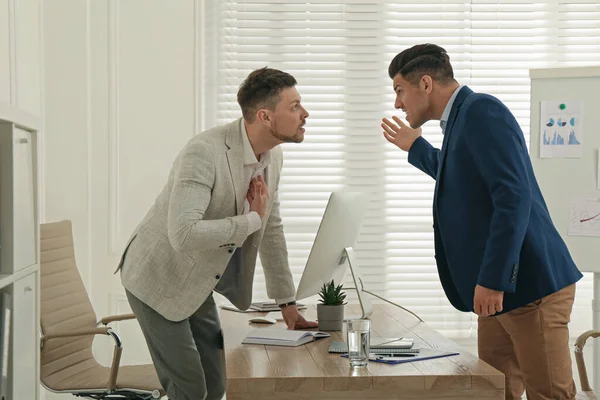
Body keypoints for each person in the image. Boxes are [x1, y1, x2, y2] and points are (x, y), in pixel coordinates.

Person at [381, 44, 583, 400]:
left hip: (528, 286)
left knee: (549, 394)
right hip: (498, 294)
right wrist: (417, 148)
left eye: (399, 90)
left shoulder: (481, 112)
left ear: (425, 84)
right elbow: (463, 177)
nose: (398, 103)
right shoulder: (460, 119)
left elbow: (512, 197)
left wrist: (493, 278)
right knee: (495, 390)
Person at [115, 67, 317, 400]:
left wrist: (288, 303)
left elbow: (272, 228)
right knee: (190, 389)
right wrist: (252, 219)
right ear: (265, 116)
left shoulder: (273, 156)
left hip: (197, 280)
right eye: (294, 106)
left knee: (217, 386)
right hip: (157, 278)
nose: (305, 113)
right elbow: (183, 233)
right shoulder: (204, 153)